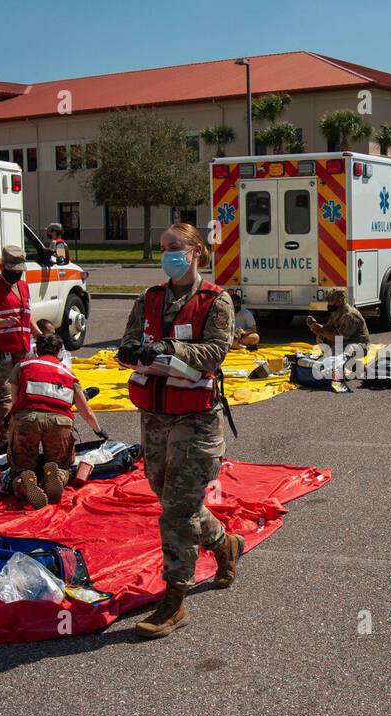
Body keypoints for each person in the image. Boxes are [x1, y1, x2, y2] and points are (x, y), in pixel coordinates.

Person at [117, 223, 245, 640]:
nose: (168, 253)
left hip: (195, 417)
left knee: (175, 510)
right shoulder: (149, 298)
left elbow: (215, 350)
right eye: (163, 248)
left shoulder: (215, 300)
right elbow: (131, 340)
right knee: (169, 498)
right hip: (155, 415)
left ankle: (174, 599)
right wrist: (131, 351)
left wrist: (171, 347)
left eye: (175, 247)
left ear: (195, 252)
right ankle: (225, 543)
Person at [6, 332, 106, 509]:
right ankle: (56, 476)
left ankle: (24, 481)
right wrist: (99, 431)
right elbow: (86, 411)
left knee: (20, 467)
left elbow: (14, 401)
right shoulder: (69, 374)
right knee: (62, 464)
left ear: (36, 349)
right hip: (60, 423)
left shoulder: (22, 366)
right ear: (60, 351)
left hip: (27, 418)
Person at [0, 246, 41, 448]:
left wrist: (41, 336)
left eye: (18, 271)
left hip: (19, 347)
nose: (15, 275)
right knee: (3, 393)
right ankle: (4, 438)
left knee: (22, 391)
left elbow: (27, 316)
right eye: (11, 271)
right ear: (2, 266)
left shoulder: (23, 287)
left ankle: (20, 436)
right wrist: (3, 323)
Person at [307, 288, 370, 360]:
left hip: (359, 345)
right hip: (345, 341)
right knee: (321, 337)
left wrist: (322, 331)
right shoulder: (336, 311)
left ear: (340, 301)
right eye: (328, 301)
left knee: (344, 350)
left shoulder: (348, 315)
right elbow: (329, 327)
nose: (329, 304)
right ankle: (330, 358)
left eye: (331, 301)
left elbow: (340, 339)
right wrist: (317, 326)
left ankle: (353, 365)